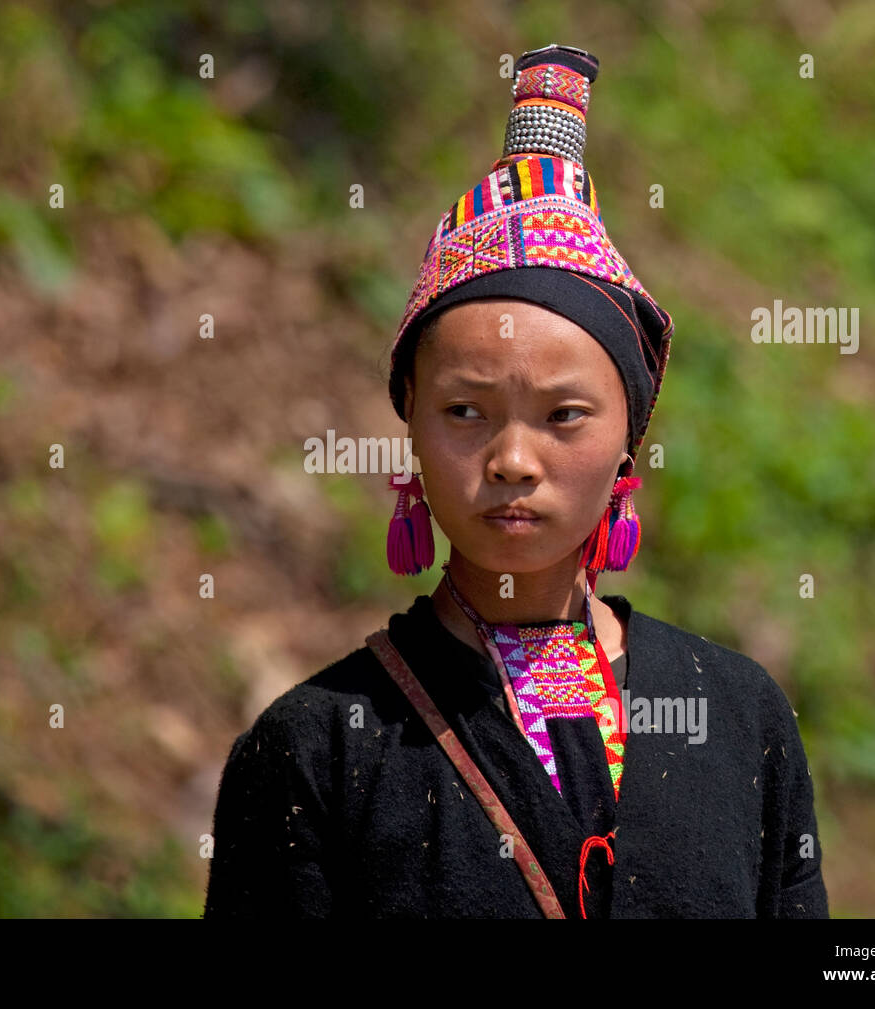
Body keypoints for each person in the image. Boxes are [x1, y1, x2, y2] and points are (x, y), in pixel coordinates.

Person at [203, 43, 828, 918]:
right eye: (466, 412)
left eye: (564, 416)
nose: (513, 460)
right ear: (411, 424)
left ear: (629, 442)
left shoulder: (737, 716)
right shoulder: (317, 751)